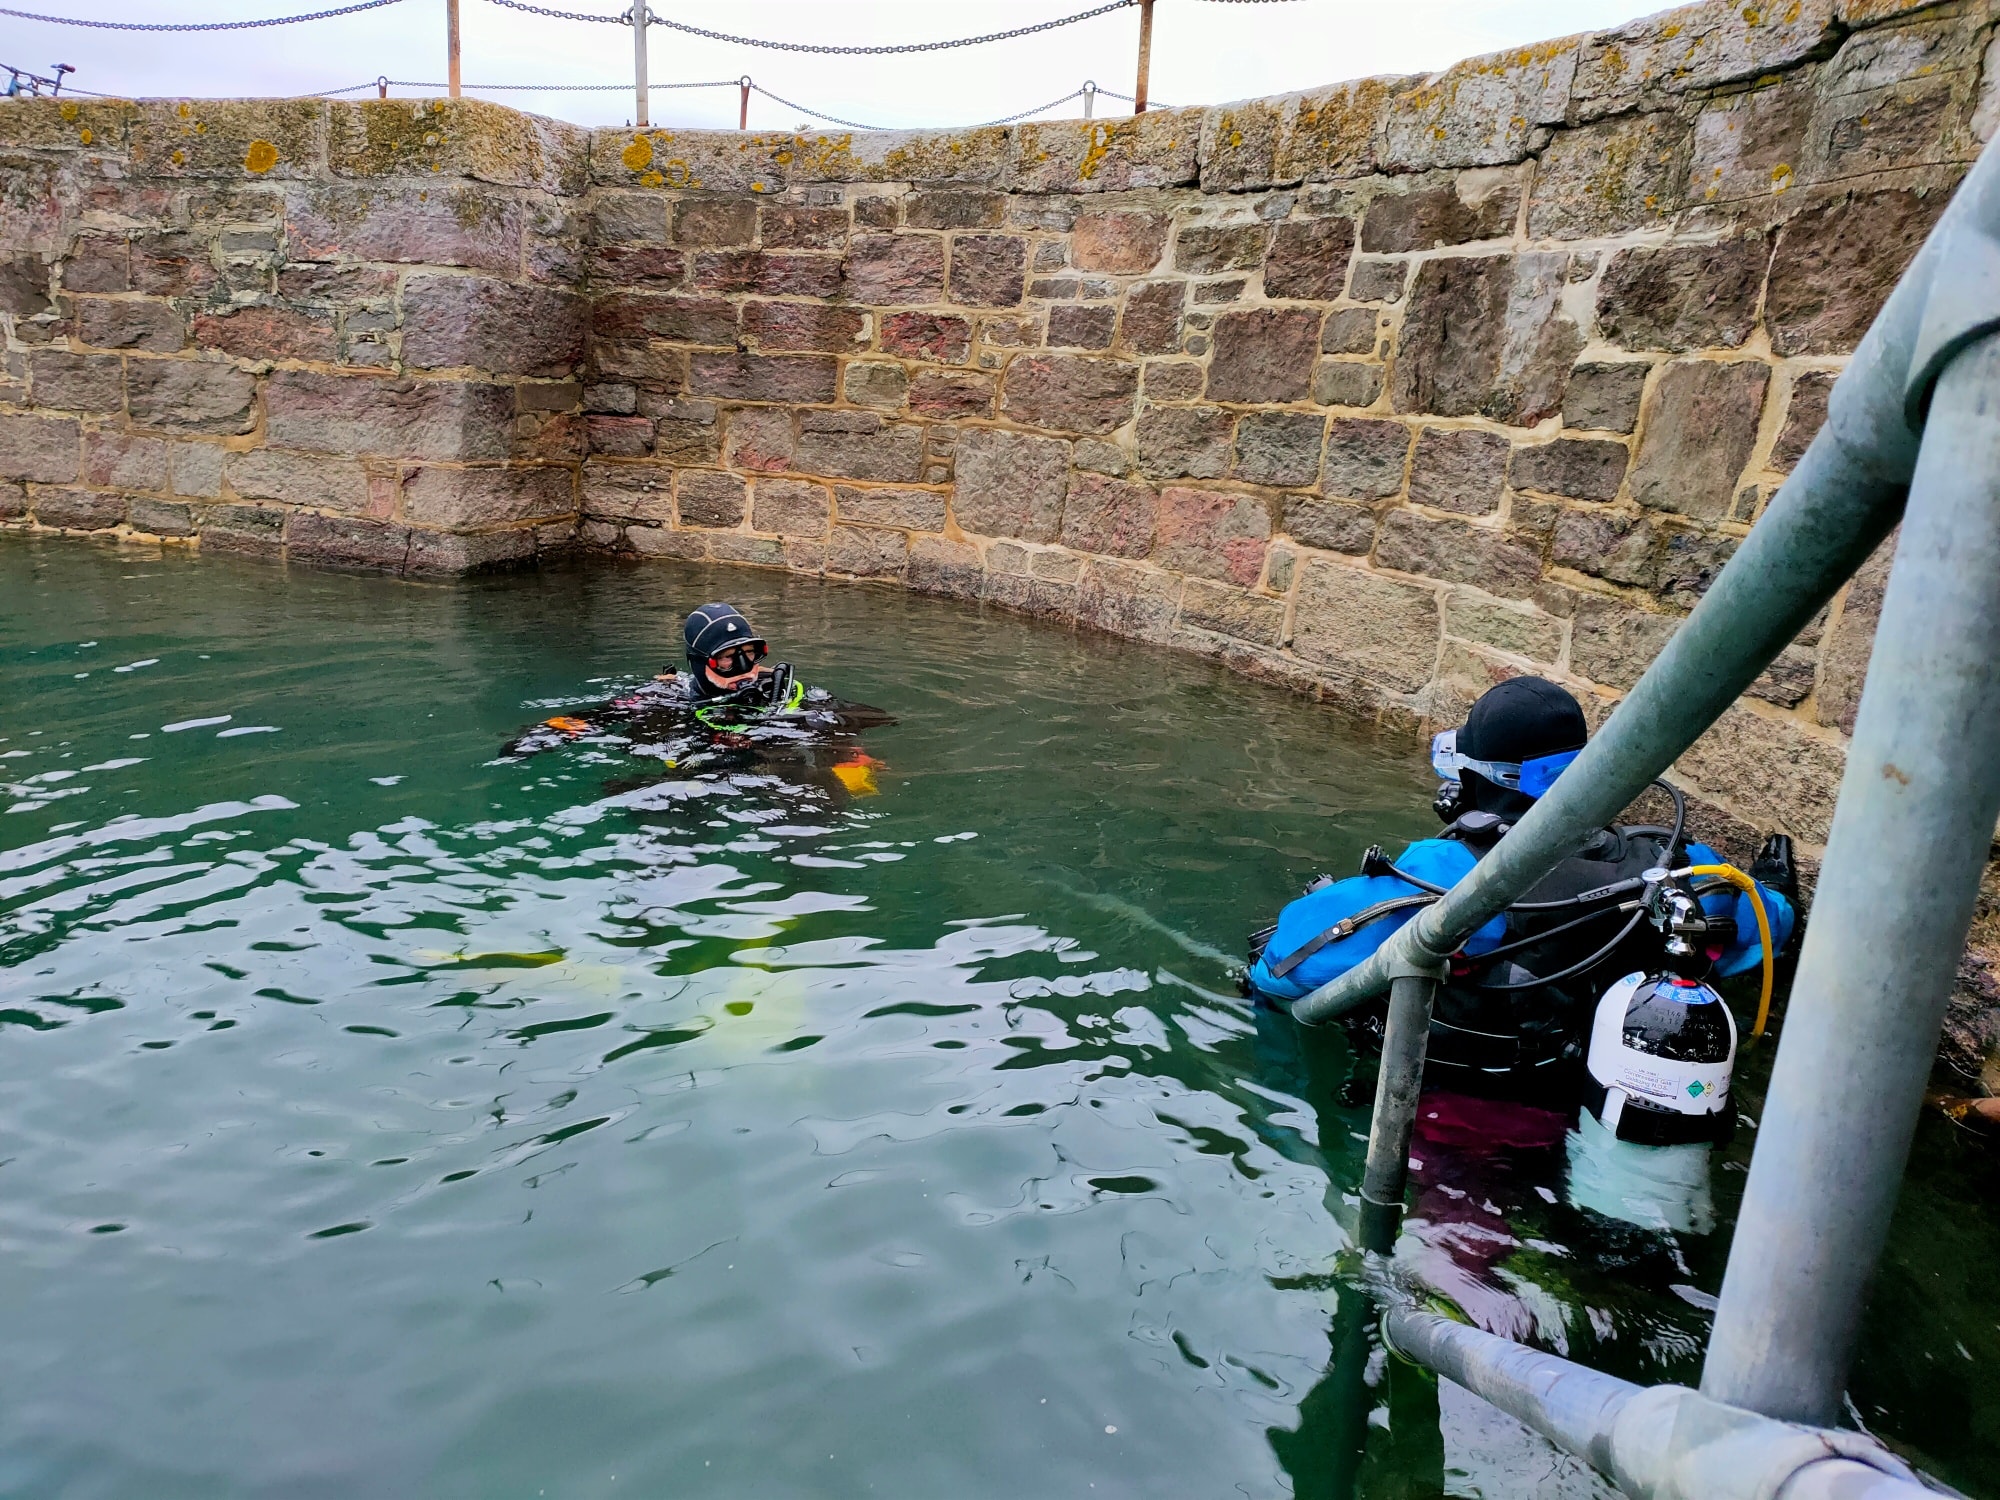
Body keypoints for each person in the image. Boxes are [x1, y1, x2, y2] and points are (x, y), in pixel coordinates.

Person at [1243, 676, 1797, 1125]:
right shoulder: (1674, 865)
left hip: (1461, 1116)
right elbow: (1774, 921)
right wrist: (1769, 879)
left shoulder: (1450, 876)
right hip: (1605, 1104)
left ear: (1477, 777)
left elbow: (1286, 961)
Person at [502, 602, 891, 790]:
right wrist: (540, 737)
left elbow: (867, 717)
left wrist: (846, 751)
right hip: (687, 778)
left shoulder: (785, 692)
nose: (744, 669)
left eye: (750, 655)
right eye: (727, 660)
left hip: (769, 773)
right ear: (698, 662)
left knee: (810, 792)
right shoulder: (665, 695)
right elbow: (594, 718)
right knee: (666, 804)